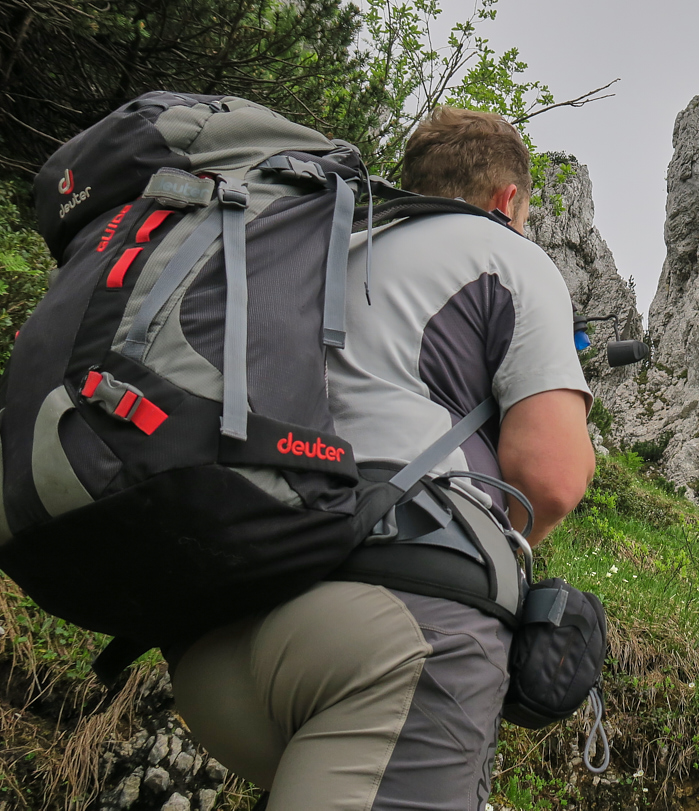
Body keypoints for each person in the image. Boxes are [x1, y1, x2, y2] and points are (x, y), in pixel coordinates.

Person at [170, 107, 596, 811]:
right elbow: (551, 477)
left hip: (217, 640)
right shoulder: (508, 255)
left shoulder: (323, 244)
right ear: (507, 200)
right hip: (390, 631)